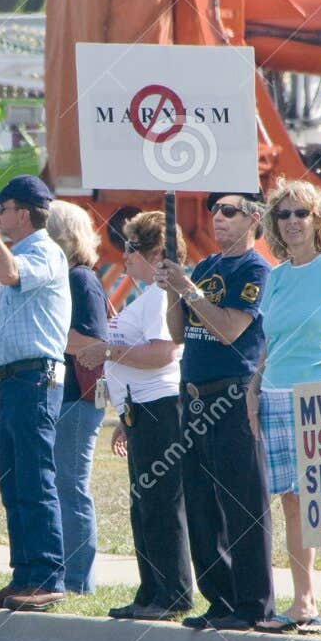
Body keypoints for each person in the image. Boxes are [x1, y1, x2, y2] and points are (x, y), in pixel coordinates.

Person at [157, 191, 275, 632]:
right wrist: (174, 293)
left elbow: (228, 330)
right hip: (194, 394)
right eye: (214, 211)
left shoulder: (255, 268)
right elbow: (179, 332)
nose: (217, 218)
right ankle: (220, 598)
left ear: (252, 218)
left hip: (232, 393)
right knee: (202, 504)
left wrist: (188, 290)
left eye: (228, 211)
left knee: (243, 503)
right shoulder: (206, 267)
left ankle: (253, 603)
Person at [0, 175, 71, 610]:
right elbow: (16, 332)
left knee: (35, 479)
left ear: (23, 213)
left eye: (1, 209)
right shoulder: (22, 251)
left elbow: (8, 273)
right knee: (14, 482)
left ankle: (47, 575)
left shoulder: (43, 250)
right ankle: (25, 574)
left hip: (35, 381)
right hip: (15, 379)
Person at [251, 178, 321, 633]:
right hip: (274, 395)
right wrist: (254, 390)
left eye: (301, 214)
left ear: (318, 220)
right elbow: (268, 343)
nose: (292, 222)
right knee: (292, 503)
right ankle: (302, 601)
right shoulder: (274, 277)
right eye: (283, 215)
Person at [82, 211, 192, 620]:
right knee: (143, 503)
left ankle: (173, 593)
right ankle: (151, 590)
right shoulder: (147, 297)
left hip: (162, 408)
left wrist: (108, 352)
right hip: (140, 409)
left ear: (156, 253)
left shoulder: (161, 297)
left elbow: (162, 353)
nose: (123, 255)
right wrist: (122, 415)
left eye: (131, 247)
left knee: (161, 503)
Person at [46, 200, 109, 595]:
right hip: (60, 398)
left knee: (70, 487)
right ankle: (62, 574)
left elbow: (93, 341)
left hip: (77, 399)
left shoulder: (80, 279)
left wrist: (44, 331)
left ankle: (78, 580)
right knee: (57, 487)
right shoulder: (62, 278)